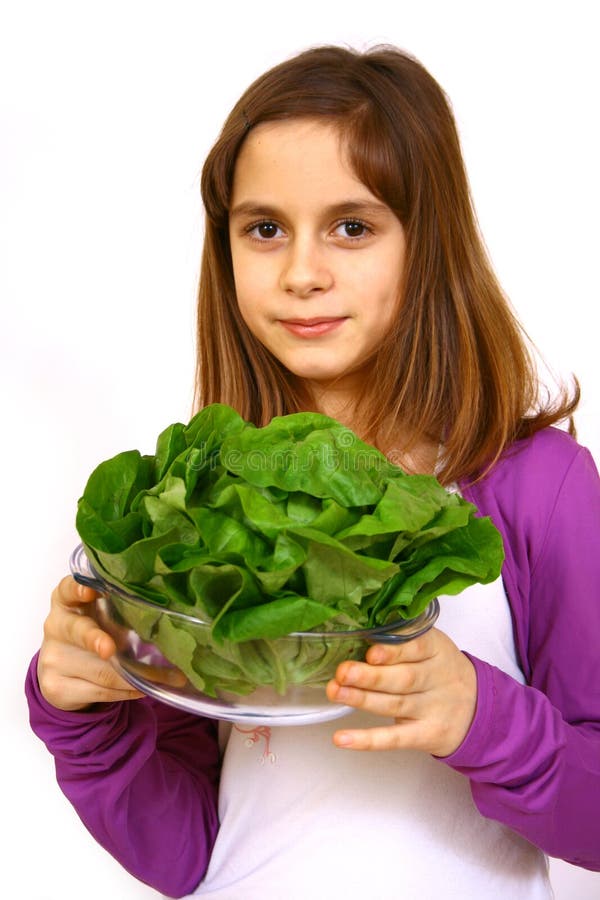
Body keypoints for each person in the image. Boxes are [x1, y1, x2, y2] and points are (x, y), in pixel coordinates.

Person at [26, 44, 600, 899]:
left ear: (429, 243)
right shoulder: (196, 510)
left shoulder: (536, 486)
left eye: (352, 227)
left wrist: (484, 720)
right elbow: (189, 855)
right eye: (265, 229)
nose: (302, 274)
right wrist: (84, 718)